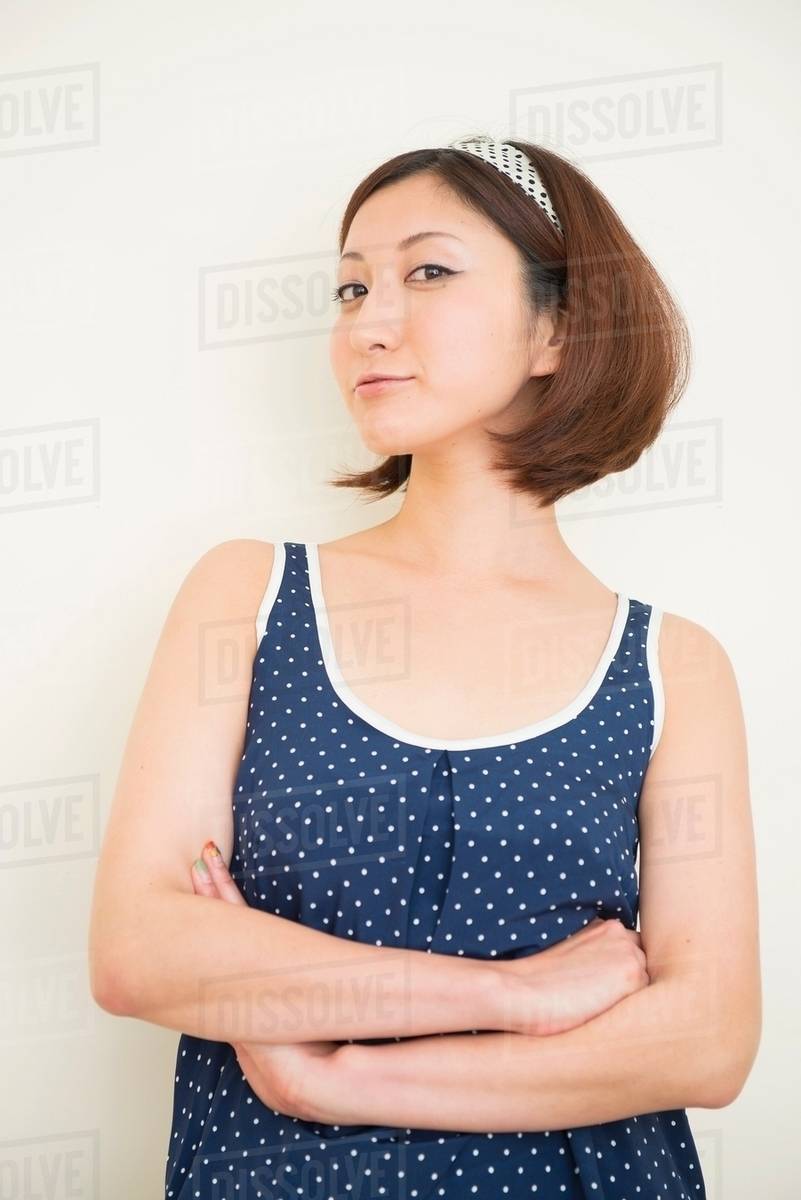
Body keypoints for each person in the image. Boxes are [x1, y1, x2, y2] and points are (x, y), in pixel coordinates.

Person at [89, 136, 761, 1199]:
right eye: (351, 287)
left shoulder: (676, 665)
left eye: (428, 272)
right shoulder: (249, 596)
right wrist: (516, 995)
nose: (369, 321)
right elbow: (139, 951)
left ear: (558, 327)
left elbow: (706, 1041)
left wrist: (342, 1081)